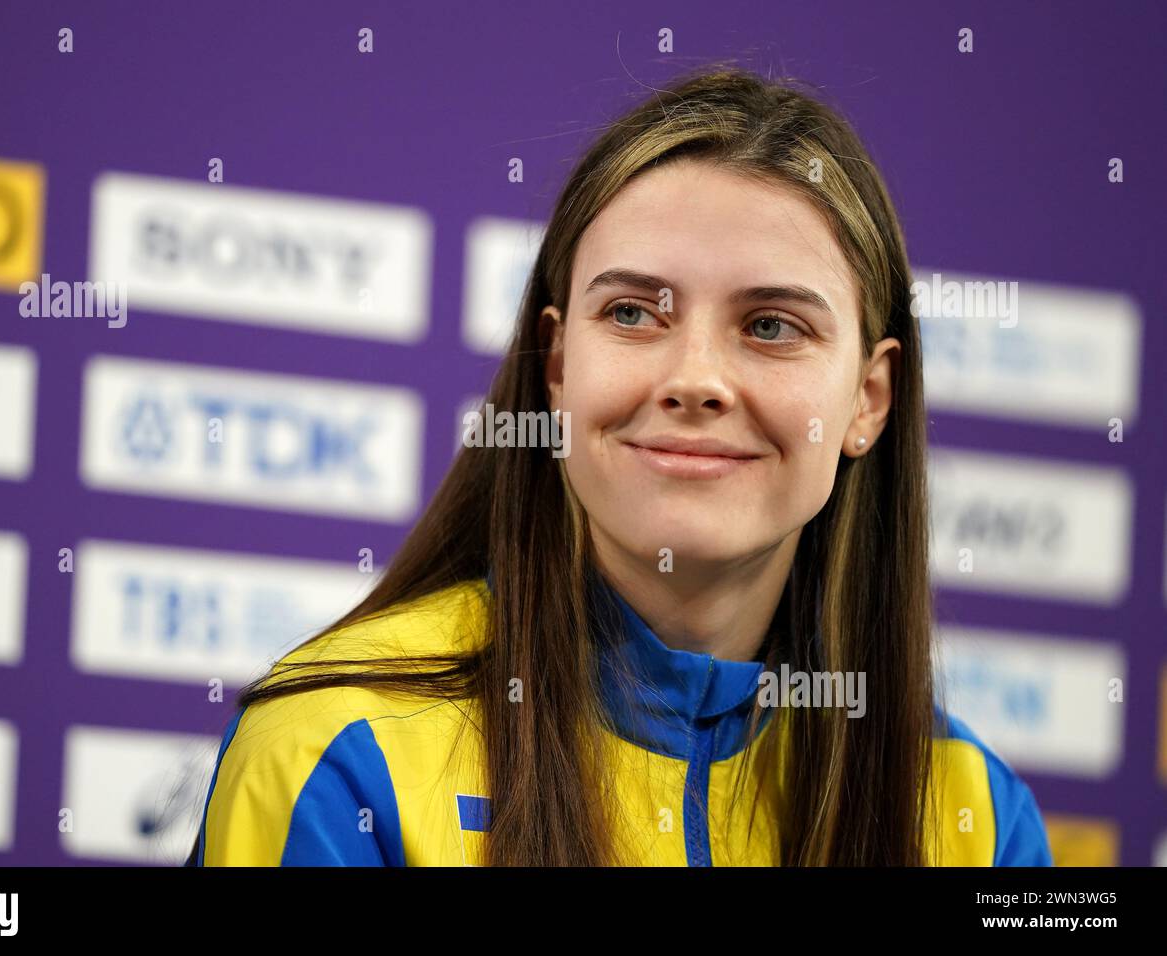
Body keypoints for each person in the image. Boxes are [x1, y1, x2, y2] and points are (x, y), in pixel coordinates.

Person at [186, 62, 1052, 867]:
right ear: (558, 366)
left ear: (869, 399)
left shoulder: (976, 818)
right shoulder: (337, 756)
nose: (694, 380)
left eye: (771, 326)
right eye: (634, 313)